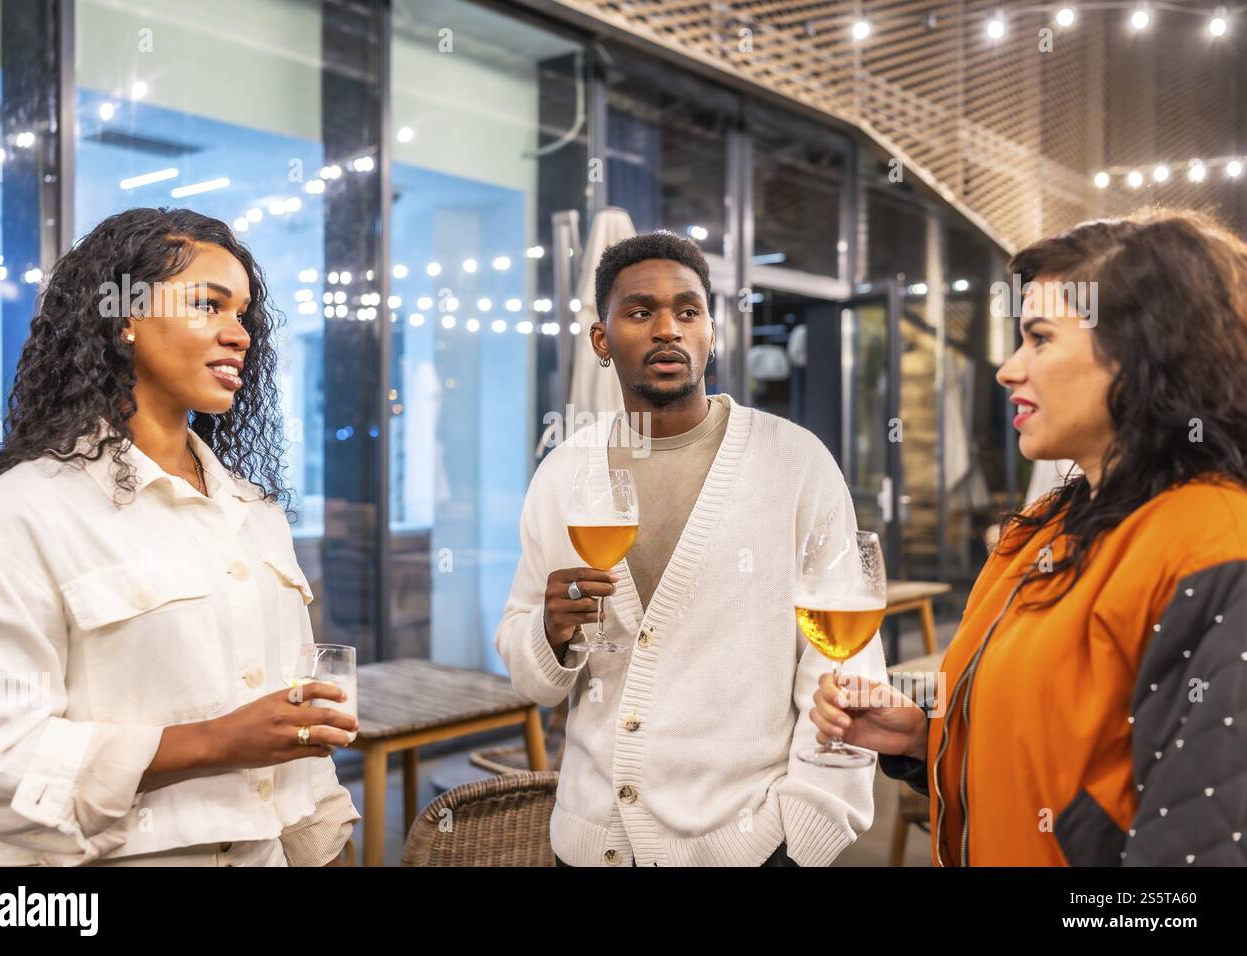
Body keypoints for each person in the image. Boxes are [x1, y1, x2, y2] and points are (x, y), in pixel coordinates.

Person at [813, 208, 1247, 866]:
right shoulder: (1047, 527)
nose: (1007, 370)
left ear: (1142, 354)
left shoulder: (1216, 547)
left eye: (1039, 338)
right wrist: (925, 735)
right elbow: (1067, 748)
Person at [0, 207, 359, 866]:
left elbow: (296, 749)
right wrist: (211, 742)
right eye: (209, 305)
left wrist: (326, 848)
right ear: (124, 317)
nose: (240, 334)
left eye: (243, 314)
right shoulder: (19, 518)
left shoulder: (253, 514)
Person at [495, 231, 885, 867]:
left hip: (750, 844)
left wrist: (807, 835)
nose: (667, 329)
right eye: (640, 312)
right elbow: (531, 677)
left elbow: (845, 663)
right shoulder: (563, 474)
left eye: (688, 310)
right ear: (602, 339)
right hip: (591, 843)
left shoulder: (794, 463)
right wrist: (549, 631)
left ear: (712, 331)